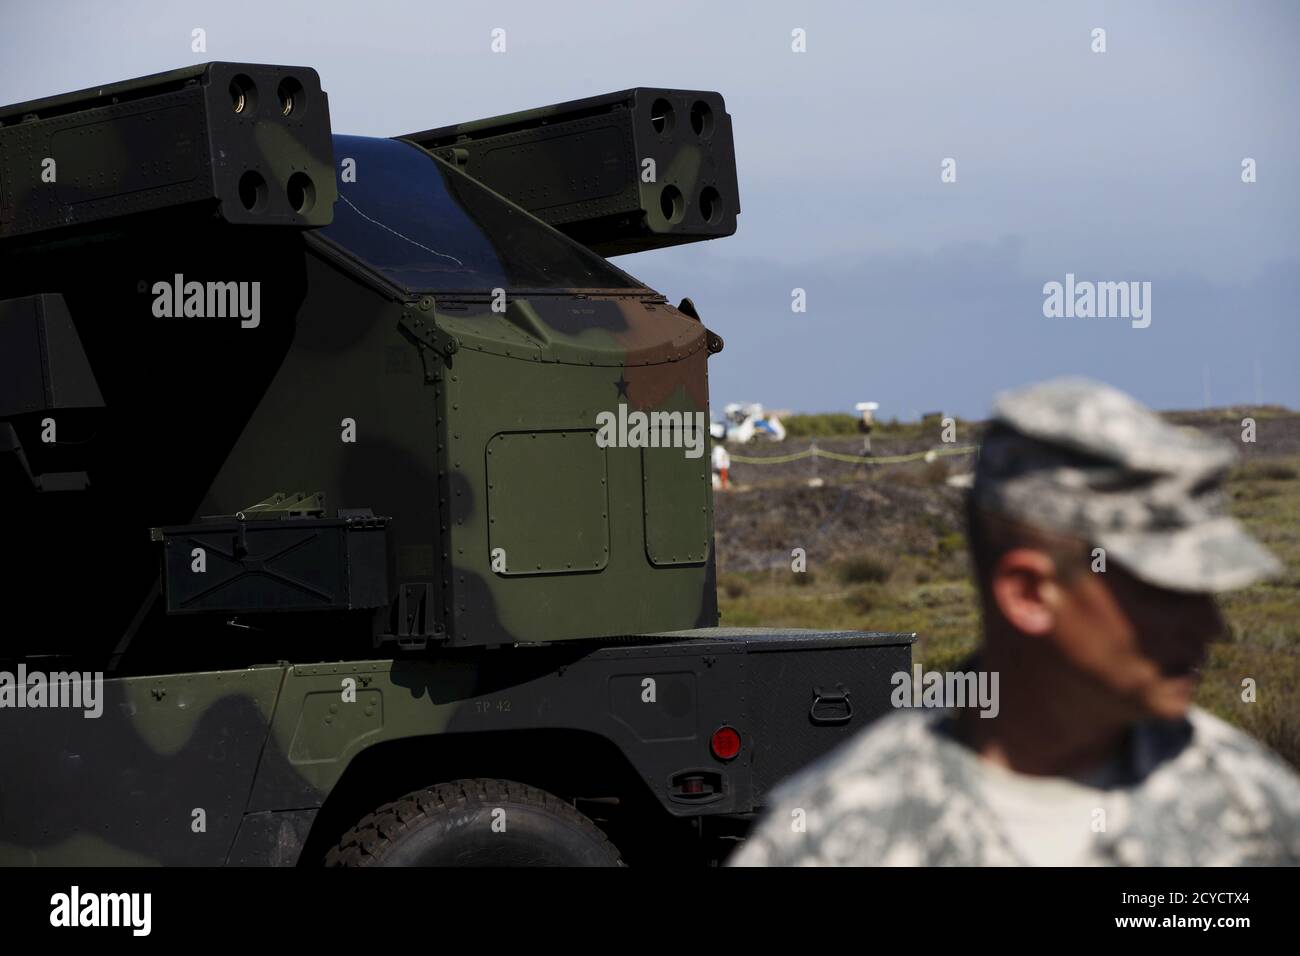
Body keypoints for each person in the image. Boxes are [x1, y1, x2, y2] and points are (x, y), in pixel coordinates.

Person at [730, 377, 1300, 866]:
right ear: (1028, 594)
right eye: (1166, 594)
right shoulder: (834, 837)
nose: (1211, 627)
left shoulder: (1253, 806)